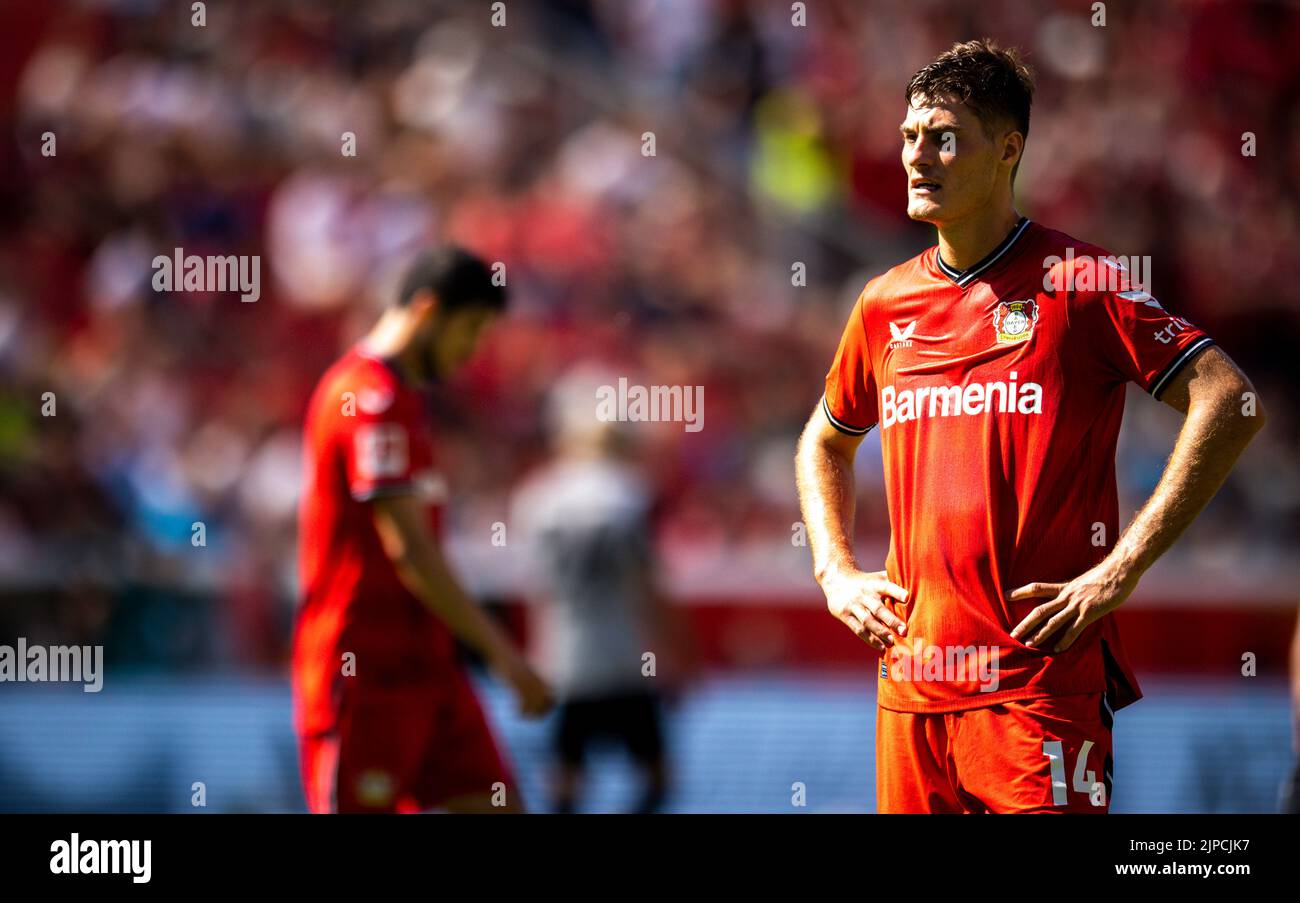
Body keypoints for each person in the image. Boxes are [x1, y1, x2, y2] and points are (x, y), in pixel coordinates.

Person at [794, 40, 1266, 813]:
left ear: (1007, 149)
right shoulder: (883, 304)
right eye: (910, 135)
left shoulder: (1080, 285)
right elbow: (824, 439)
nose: (918, 155)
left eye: (944, 136)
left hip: (1037, 687)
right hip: (912, 690)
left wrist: (1118, 571)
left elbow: (1230, 400)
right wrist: (834, 570)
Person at [293, 247, 552, 814]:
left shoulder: (405, 400)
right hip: (364, 669)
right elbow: (408, 549)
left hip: (429, 665)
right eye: (471, 331)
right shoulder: (369, 399)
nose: (472, 351)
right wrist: (502, 654)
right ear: (429, 310)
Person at [511, 371, 688, 813]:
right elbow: (647, 584)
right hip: (626, 657)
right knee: (656, 776)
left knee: (566, 779)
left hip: (565, 658)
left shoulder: (537, 497)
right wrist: (675, 652)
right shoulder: (630, 495)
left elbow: (536, 587)